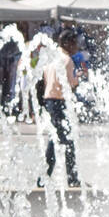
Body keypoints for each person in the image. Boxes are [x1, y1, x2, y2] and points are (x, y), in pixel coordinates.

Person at [41, 29, 81, 187]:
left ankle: (45, 177)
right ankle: (71, 178)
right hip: (59, 101)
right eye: (75, 43)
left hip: (50, 100)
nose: (77, 46)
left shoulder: (51, 58)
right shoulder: (67, 60)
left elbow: (45, 79)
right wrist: (78, 78)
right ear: (68, 43)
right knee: (66, 140)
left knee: (55, 139)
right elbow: (71, 84)